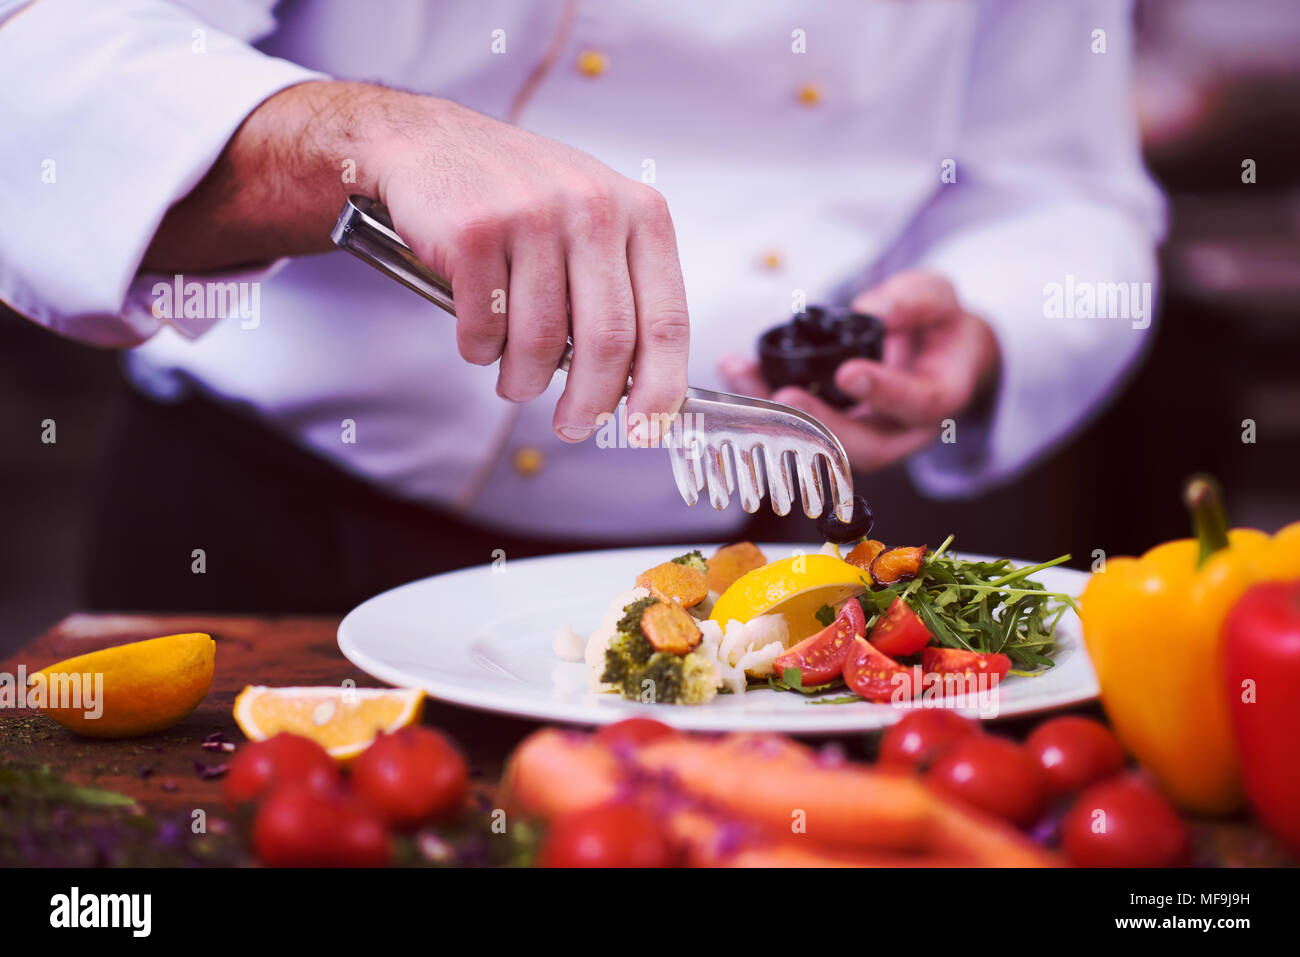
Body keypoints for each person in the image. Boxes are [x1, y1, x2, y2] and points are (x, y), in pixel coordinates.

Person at [0, 0, 1163, 612]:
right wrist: (357, 137)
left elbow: (1061, 187)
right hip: (261, 525)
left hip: (731, 563)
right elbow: (41, 53)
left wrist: (995, 319)